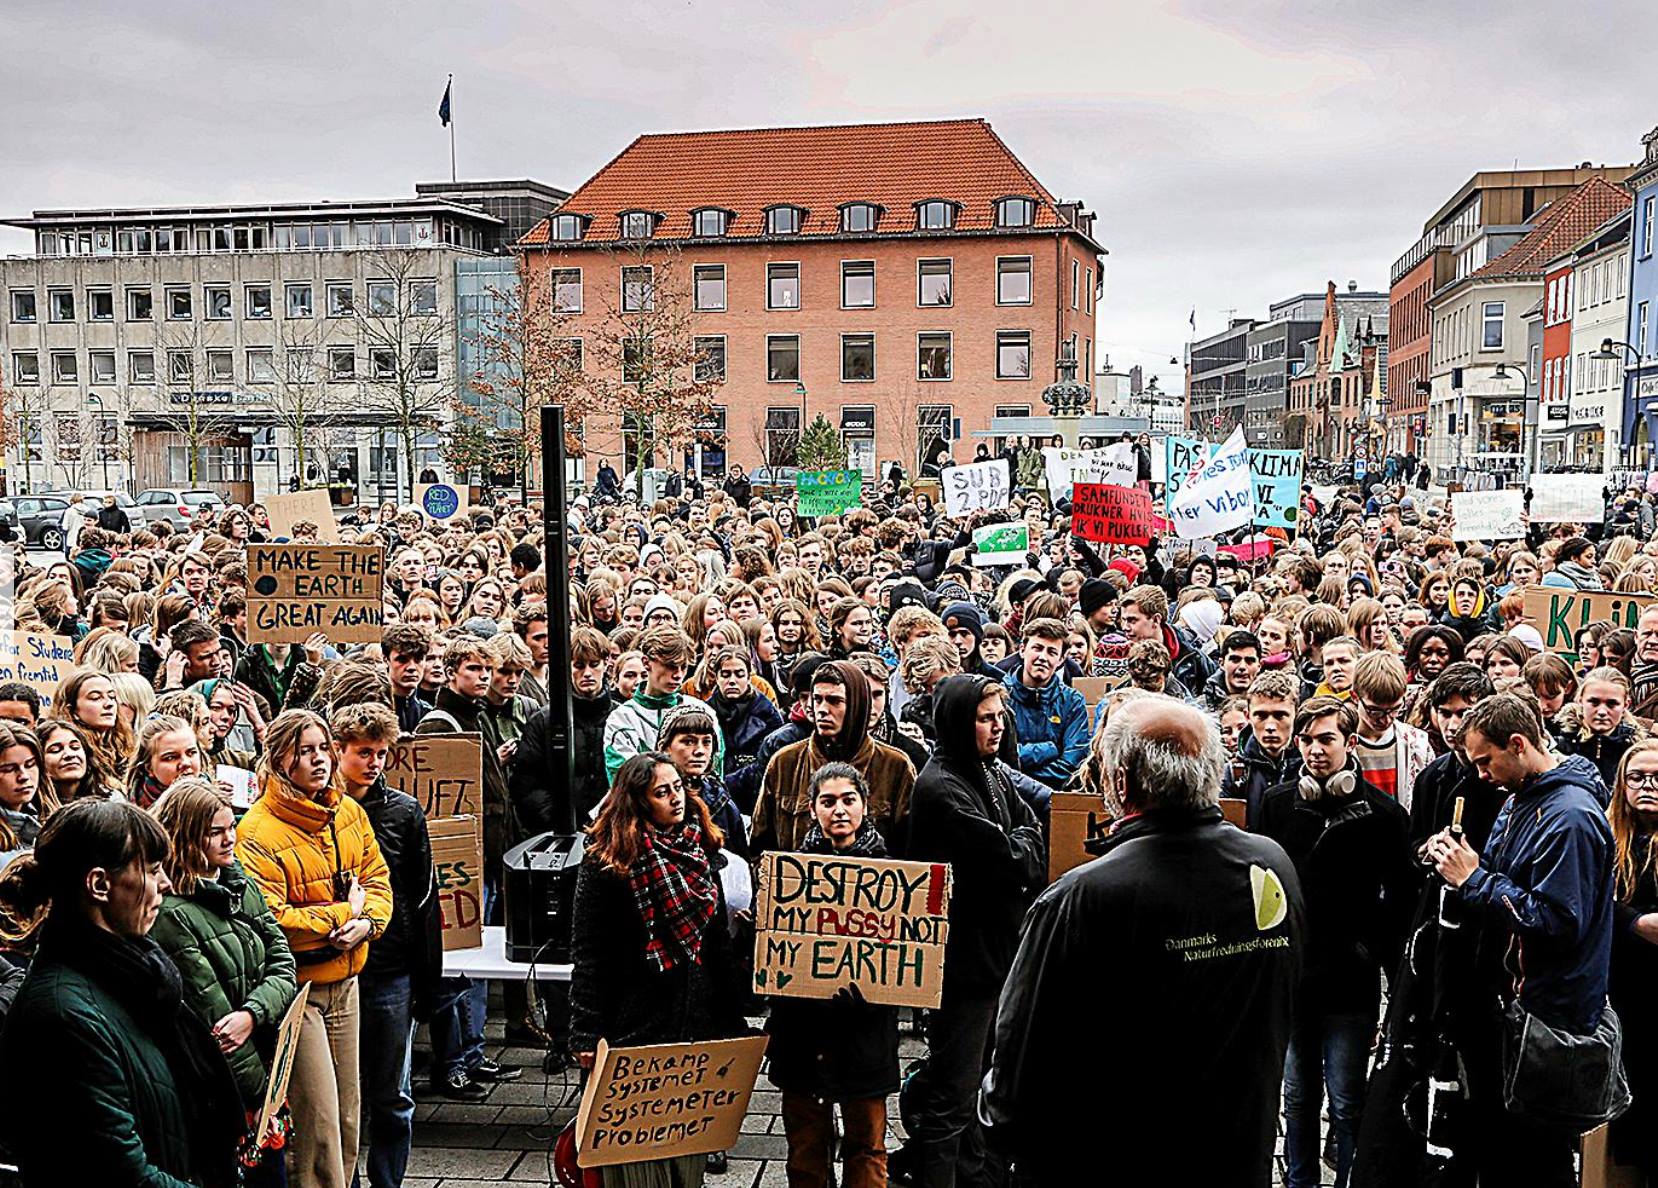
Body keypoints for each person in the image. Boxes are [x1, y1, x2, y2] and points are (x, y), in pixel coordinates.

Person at [981, 695, 1305, 1188]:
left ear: (1120, 782)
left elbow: (1019, 1064)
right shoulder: (1271, 864)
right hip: (1237, 1153)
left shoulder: (1080, 897)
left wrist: (1000, 1135)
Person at [1424, 692, 1617, 1186]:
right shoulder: (1521, 800)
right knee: (1503, 1152)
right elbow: (1503, 878)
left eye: (1486, 761)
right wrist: (1461, 861)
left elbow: (1558, 922)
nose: (1481, 774)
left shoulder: (1570, 817)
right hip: (1508, 1009)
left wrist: (1475, 879)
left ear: (1517, 744)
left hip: (1547, 1017)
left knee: (1535, 1161)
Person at [0, 799, 246, 1187]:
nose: (166, 883)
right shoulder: (63, 1016)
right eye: (152, 869)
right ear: (100, 884)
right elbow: (122, 1174)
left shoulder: (136, 978)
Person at [1251, 697, 1414, 1188]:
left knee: (1346, 1101)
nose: (1315, 750)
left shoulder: (1384, 815)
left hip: (1350, 982)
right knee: (1297, 1099)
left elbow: (1401, 905)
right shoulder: (1278, 803)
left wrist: (1380, 966)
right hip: (1295, 978)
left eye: (1327, 739)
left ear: (1350, 742)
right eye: (1307, 740)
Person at [569, 752, 746, 1188]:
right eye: (662, 792)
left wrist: (732, 1019)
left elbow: (716, 945)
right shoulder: (605, 862)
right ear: (638, 801)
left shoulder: (701, 848)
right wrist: (585, 1032)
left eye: (678, 788)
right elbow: (589, 953)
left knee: (686, 1157)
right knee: (635, 1163)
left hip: (693, 1020)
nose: (676, 798)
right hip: (634, 1022)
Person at [236, 709, 393, 1188]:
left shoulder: (348, 812)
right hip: (298, 990)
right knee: (317, 1120)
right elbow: (272, 919)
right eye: (306, 751)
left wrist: (367, 923)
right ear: (280, 759)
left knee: (347, 1115)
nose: (319, 759)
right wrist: (345, 914)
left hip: (347, 980)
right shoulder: (257, 831)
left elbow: (377, 880)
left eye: (324, 748)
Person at [903, 674, 1045, 1188]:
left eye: (1000, 717)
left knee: (982, 1080)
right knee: (954, 1091)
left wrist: (1022, 841)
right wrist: (1022, 843)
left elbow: (1031, 828)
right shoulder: (942, 786)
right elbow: (1011, 859)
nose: (997, 727)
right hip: (962, 964)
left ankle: (973, 1175)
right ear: (960, 723)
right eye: (986, 718)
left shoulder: (990, 771)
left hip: (993, 952)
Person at [150, 778, 298, 1187]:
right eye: (215, 831)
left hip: (263, 1075)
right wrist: (261, 1097)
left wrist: (253, 1012)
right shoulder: (172, 915)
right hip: (229, 1094)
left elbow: (283, 962)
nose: (229, 838)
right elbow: (216, 1022)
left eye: (231, 826)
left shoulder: (238, 880)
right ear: (185, 836)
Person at [765, 763, 898, 1188]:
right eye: (827, 801)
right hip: (804, 1037)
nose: (838, 810)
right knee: (806, 1151)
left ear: (865, 806)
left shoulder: (895, 878)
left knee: (868, 1149)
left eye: (848, 800)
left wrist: (876, 992)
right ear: (812, 809)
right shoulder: (789, 876)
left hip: (865, 1037)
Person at [330, 701, 442, 1188]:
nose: (374, 762)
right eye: (364, 752)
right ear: (338, 751)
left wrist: (427, 977)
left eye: (381, 753)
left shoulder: (403, 810)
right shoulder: (320, 809)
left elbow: (423, 897)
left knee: (392, 1094)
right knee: (341, 1095)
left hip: (391, 966)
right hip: (337, 966)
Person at [751, 659, 914, 856]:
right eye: (817, 699)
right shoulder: (784, 763)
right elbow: (760, 849)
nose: (822, 710)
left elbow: (911, 854)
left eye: (834, 701)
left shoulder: (895, 766)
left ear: (857, 704)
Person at [1607, 739, 1658, 1178]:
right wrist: (1634, 921)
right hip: (1620, 985)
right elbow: (1586, 899)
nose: (1648, 786)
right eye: (1638, 777)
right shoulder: (1605, 838)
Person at [1000, 618, 1088, 792]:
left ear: (1061, 660)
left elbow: (1071, 764)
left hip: (1054, 798)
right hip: (1006, 796)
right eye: (1037, 648)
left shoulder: (1072, 702)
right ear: (1022, 650)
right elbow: (997, 758)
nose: (1043, 657)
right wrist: (1050, 749)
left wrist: (1020, 777)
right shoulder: (999, 698)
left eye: (1051, 652)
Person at [1350, 651, 1434, 810]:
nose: (1386, 719)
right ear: (1355, 697)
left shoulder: (1417, 744)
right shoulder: (1341, 743)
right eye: (1375, 711)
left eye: (1395, 709)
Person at [1223, 669, 1303, 820]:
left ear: (1296, 714)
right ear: (1248, 716)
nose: (1270, 726)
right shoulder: (1233, 773)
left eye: (1280, 715)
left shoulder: (1311, 767)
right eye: (1261, 716)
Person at [1556, 666, 1639, 798]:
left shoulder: (1635, 752)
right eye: (1594, 702)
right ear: (1580, 700)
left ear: (1626, 704)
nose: (1602, 712)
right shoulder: (1559, 746)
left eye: (1611, 704)